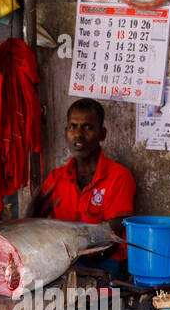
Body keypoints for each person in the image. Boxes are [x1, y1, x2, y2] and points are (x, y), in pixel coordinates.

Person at [29, 97, 136, 270]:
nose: (78, 134)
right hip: (63, 262)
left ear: (102, 134)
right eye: (73, 126)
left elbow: (109, 241)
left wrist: (69, 260)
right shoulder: (56, 178)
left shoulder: (119, 177)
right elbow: (37, 237)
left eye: (88, 127)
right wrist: (31, 218)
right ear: (66, 131)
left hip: (104, 264)